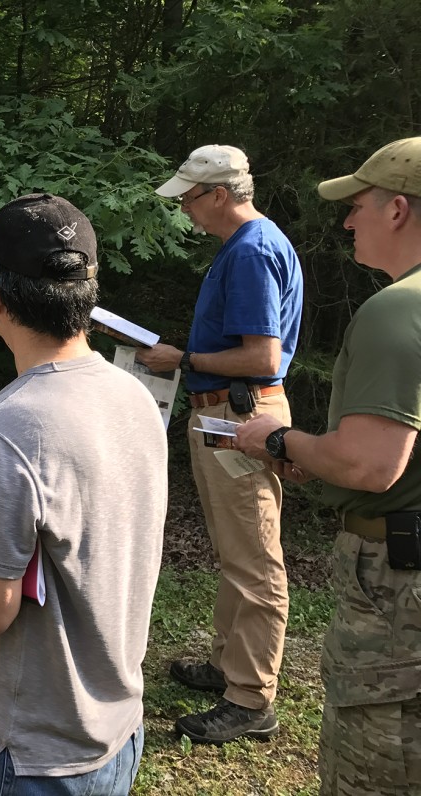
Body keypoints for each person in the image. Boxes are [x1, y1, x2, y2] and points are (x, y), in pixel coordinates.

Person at [0, 194, 167, 794]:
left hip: (24, 753)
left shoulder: (3, 426)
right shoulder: (134, 398)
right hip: (114, 730)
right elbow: (76, 485)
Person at [236, 137, 421, 795]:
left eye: (359, 205)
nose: (348, 221)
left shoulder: (398, 309)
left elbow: (371, 466)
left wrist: (282, 442)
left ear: (397, 210)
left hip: (398, 598)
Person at [136, 144, 303, 744]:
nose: (184, 207)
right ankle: (228, 667)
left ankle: (252, 698)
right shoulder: (244, 247)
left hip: (241, 416)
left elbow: (260, 357)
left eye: (189, 196)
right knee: (237, 551)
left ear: (220, 194)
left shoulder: (253, 252)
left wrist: (183, 359)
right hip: (226, 414)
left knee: (256, 560)